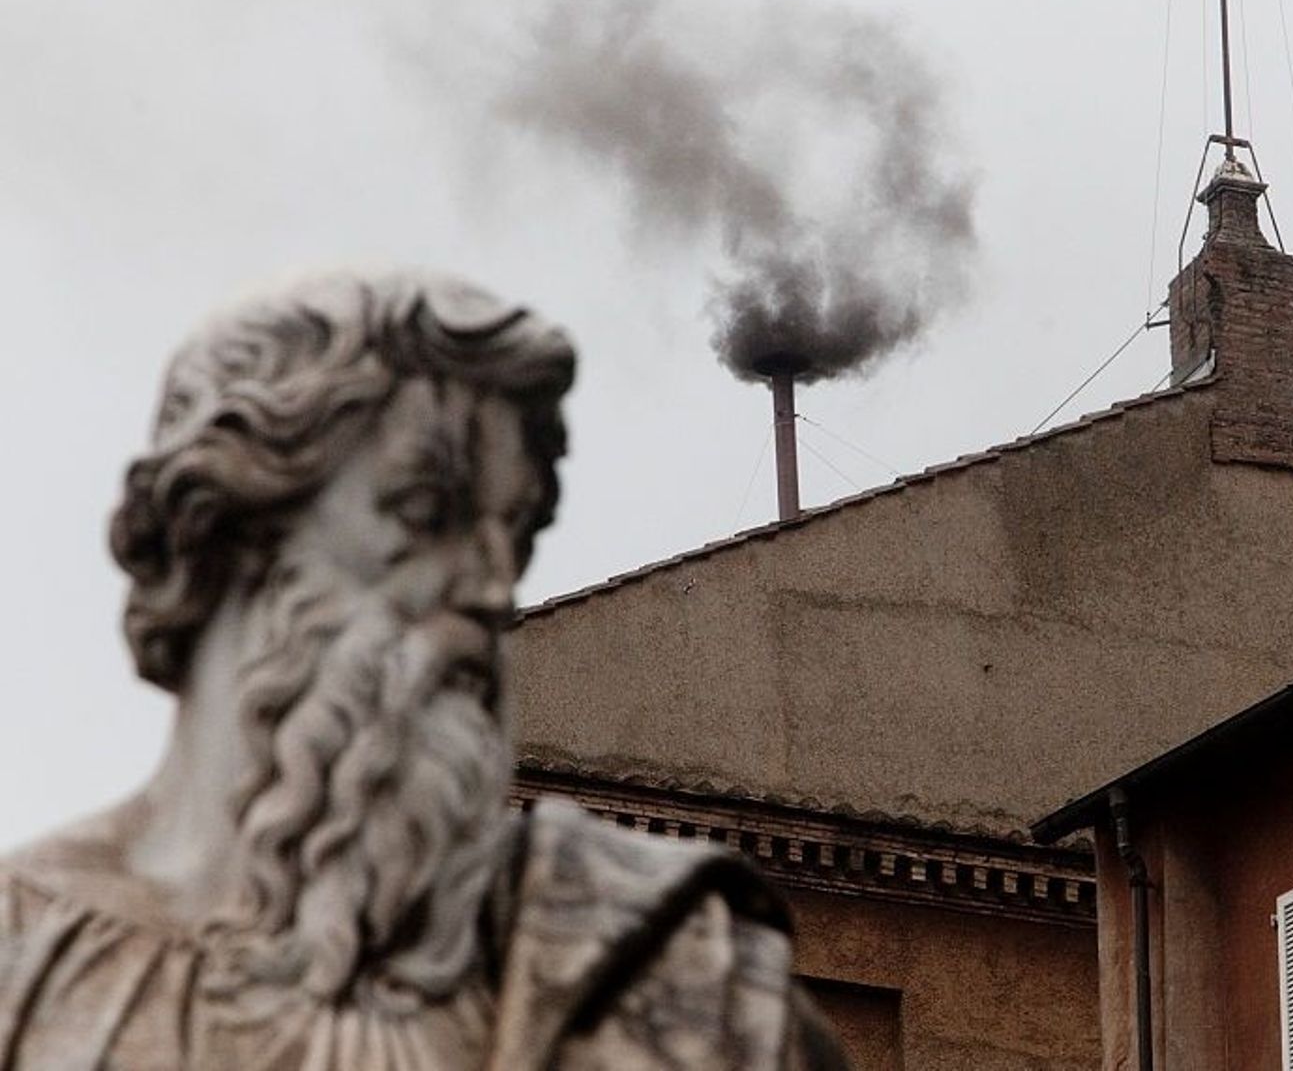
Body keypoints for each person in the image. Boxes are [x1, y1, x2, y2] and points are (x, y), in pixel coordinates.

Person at [0, 271, 845, 1069]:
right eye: (426, 510)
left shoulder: (673, 979)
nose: (491, 588)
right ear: (222, 537)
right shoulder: (23, 961)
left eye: (510, 533)